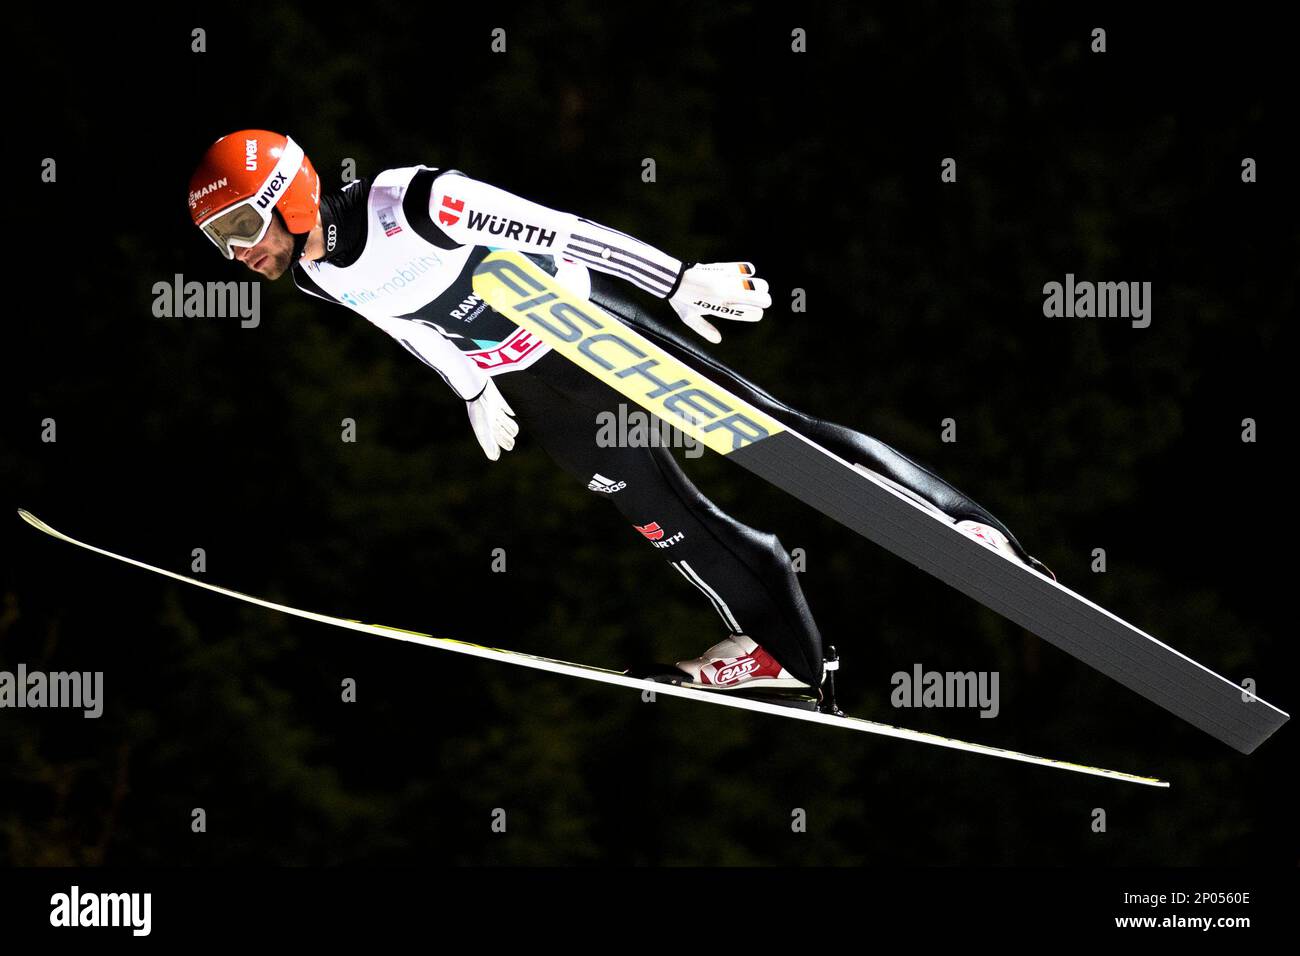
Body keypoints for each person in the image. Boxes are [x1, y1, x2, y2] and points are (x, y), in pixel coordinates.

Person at [188, 129, 1050, 701]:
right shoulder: (310, 272)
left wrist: (677, 280)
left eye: (239, 224)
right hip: (532, 385)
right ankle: (784, 654)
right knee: (664, 521)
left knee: (765, 433)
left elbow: (563, 231)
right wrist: (473, 390)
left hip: (589, 330)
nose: (236, 252)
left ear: (288, 194)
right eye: (217, 241)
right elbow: (399, 323)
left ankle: (965, 528)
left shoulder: (411, 200)